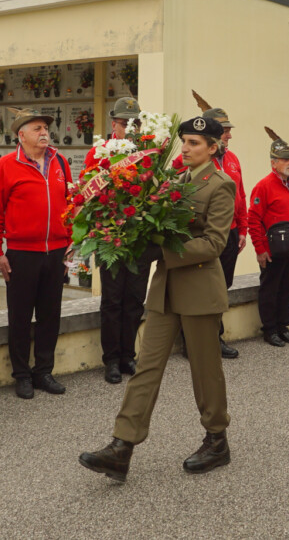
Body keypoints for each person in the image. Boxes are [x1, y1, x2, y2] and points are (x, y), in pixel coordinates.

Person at [78, 116, 236, 483]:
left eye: (194, 143)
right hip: (165, 291)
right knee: (147, 367)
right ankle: (122, 446)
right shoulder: (175, 181)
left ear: (213, 147)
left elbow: (215, 243)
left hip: (198, 291)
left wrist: (162, 250)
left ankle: (217, 440)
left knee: (205, 371)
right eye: (184, 142)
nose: (185, 149)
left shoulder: (221, 185)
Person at [0, 108, 73, 399]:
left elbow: (71, 205)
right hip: (22, 253)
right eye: (36, 128)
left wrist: (71, 242)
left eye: (45, 128)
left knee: (51, 315)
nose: (44, 132)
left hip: (56, 252)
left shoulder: (60, 161)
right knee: (20, 317)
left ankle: (44, 371)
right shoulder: (6, 166)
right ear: (21, 135)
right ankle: (22, 375)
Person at [174, 91, 248, 359]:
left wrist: (243, 229)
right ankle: (191, 342)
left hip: (229, 232)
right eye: (225, 130)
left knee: (220, 288)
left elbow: (241, 195)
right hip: (201, 236)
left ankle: (215, 337)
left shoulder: (233, 160)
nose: (229, 134)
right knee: (195, 287)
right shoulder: (188, 160)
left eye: (228, 130)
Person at [90, 97, 159, 383]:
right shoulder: (100, 153)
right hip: (111, 238)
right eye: (123, 124)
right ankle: (111, 360)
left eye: (134, 125)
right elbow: (89, 193)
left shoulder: (147, 154)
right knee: (113, 300)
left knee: (134, 300)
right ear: (113, 124)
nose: (128, 129)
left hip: (138, 240)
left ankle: (128, 355)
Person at [247, 127, 289, 347]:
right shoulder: (263, 186)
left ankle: (282, 326)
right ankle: (270, 330)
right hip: (272, 249)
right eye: (285, 159)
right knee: (270, 289)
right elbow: (253, 220)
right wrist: (260, 249)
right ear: (273, 163)